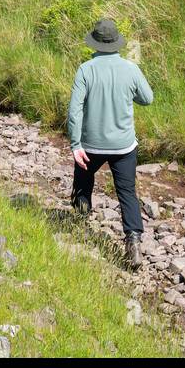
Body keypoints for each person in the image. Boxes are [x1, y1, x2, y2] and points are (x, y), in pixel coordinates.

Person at [67, 18, 153, 268]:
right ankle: (133, 241)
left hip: (91, 145)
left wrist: (75, 145)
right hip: (124, 146)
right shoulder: (131, 69)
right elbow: (147, 99)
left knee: (83, 180)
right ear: (117, 43)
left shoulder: (86, 69)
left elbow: (74, 111)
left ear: (94, 42)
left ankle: (81, 222)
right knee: (127, 192)